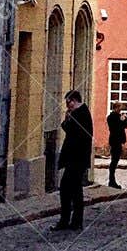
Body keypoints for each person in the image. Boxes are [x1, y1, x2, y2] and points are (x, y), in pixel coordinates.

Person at [50, 90, 93, 232]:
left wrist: (68, 119)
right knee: (72, 190)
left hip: (77, 160)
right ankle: (72, 221)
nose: (67, 106)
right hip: (75, 160)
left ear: (73, 101)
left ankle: (70, 221)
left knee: (70, 190)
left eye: (68, 103)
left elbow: (74, 134)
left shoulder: (81, 114)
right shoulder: (81, 113)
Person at [105, 103, 127, 189]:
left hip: (119, 141)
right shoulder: (111, 117)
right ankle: (111, 181)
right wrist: (121, 120)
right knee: (114, 161)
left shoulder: (119, 116)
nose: (121, 109)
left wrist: (124, 119)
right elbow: (115, 128)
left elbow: (124, 126)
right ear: (116, 107)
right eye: (119, 107)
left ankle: (112, 180)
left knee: (115, 160)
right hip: (115, 141)